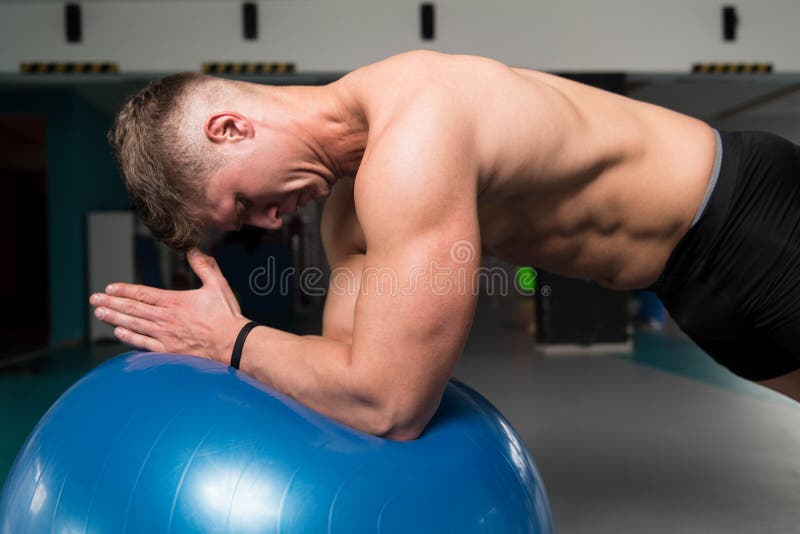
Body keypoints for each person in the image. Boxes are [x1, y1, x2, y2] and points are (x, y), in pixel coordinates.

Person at [90, 50, 800, 440]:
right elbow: (346, 378)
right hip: (687, 285)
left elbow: (390, 403)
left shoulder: (417, 130)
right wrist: (231, 340)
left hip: (744, 215)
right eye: (247, 224)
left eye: (243, 203)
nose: (270, 224)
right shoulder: (348, 213)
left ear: (230, 128)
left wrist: (234, 341)